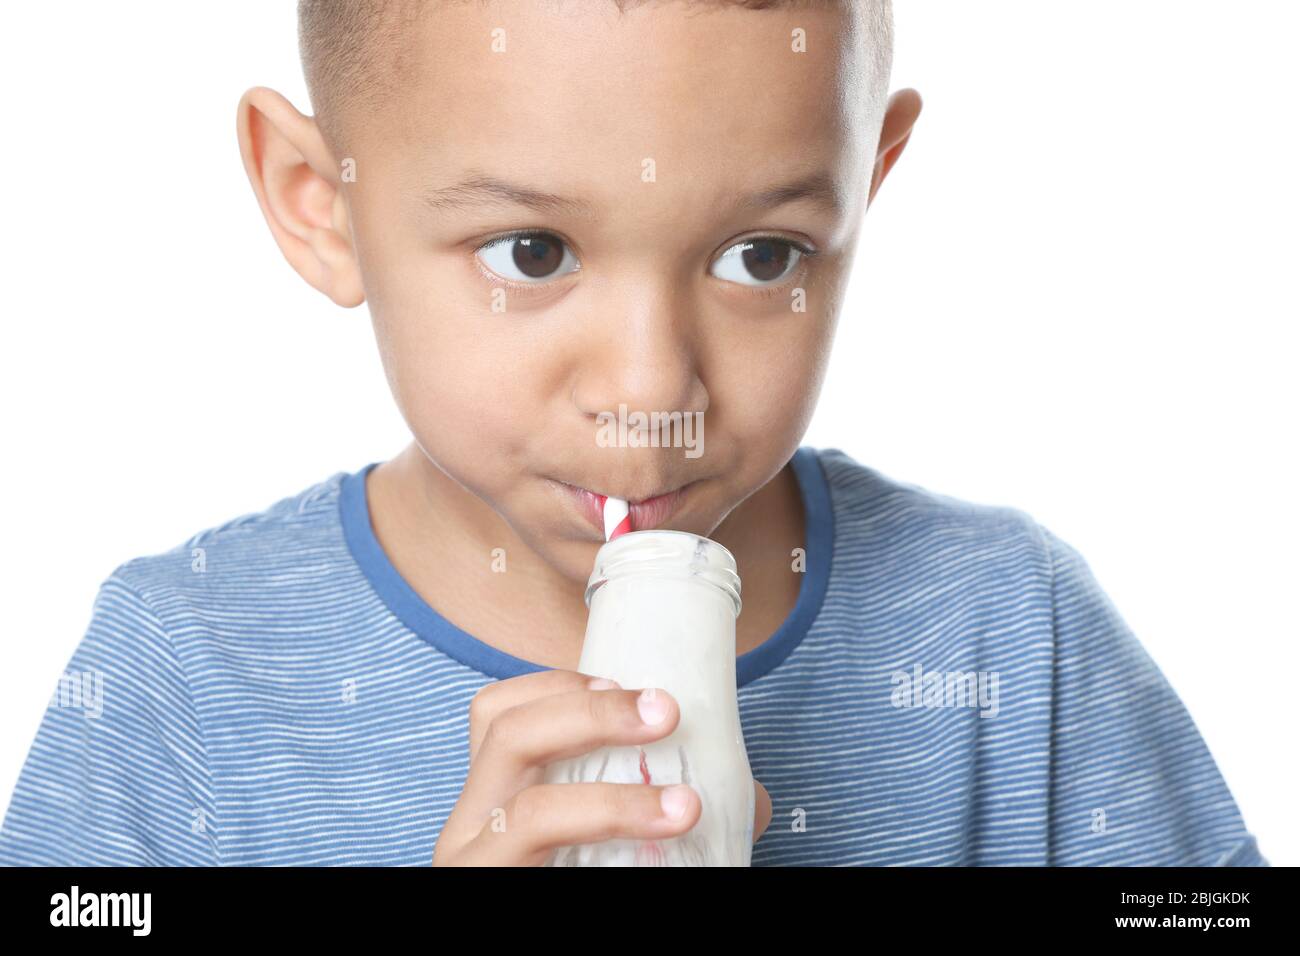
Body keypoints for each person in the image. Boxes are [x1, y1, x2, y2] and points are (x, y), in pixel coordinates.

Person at [0, 0, 1266, 866]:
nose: (653, 385)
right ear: (320, 204)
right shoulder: (183, 670)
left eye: (760, 254)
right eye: (532, 252)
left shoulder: (1007, 630)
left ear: (863, 184)